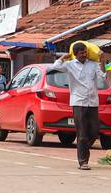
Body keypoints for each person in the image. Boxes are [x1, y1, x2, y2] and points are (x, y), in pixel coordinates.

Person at [46, 41, 107, 170]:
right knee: (82, 133)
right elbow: (52, 69)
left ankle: (84, 150)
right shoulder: (69, 65)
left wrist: (101, 61)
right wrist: (62, 58)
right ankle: (83, 161)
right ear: (75, 54)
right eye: (81, 53)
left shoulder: (93, 64)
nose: (84, 55)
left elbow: (103, 76)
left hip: (93, 102)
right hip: (78, 102)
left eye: (85, 52)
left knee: (94, 132)